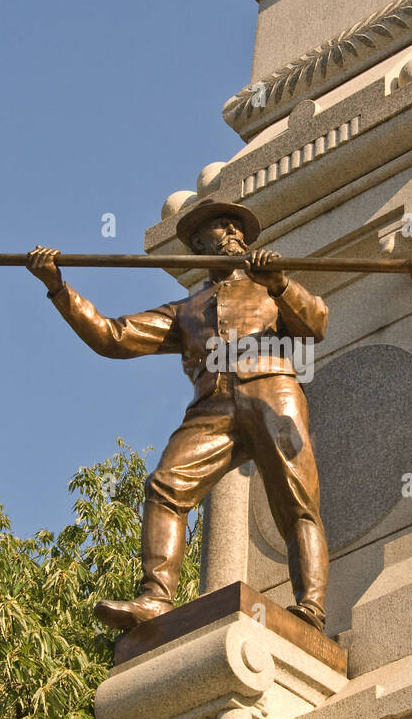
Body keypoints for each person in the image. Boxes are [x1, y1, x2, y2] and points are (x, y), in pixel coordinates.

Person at [27, 199, 332, 634]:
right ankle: (155, 597)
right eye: (220, 228)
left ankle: (311, 607)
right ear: (197, 244)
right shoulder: (186, 310)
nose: (232, 233)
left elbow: (315, 325)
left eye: (235, 226)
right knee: (165, 486)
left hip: (272, 391)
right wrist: (59, 288)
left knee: (297, 501)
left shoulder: (270, 286)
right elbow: (114, 337)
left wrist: (282, 284)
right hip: (211, 406)